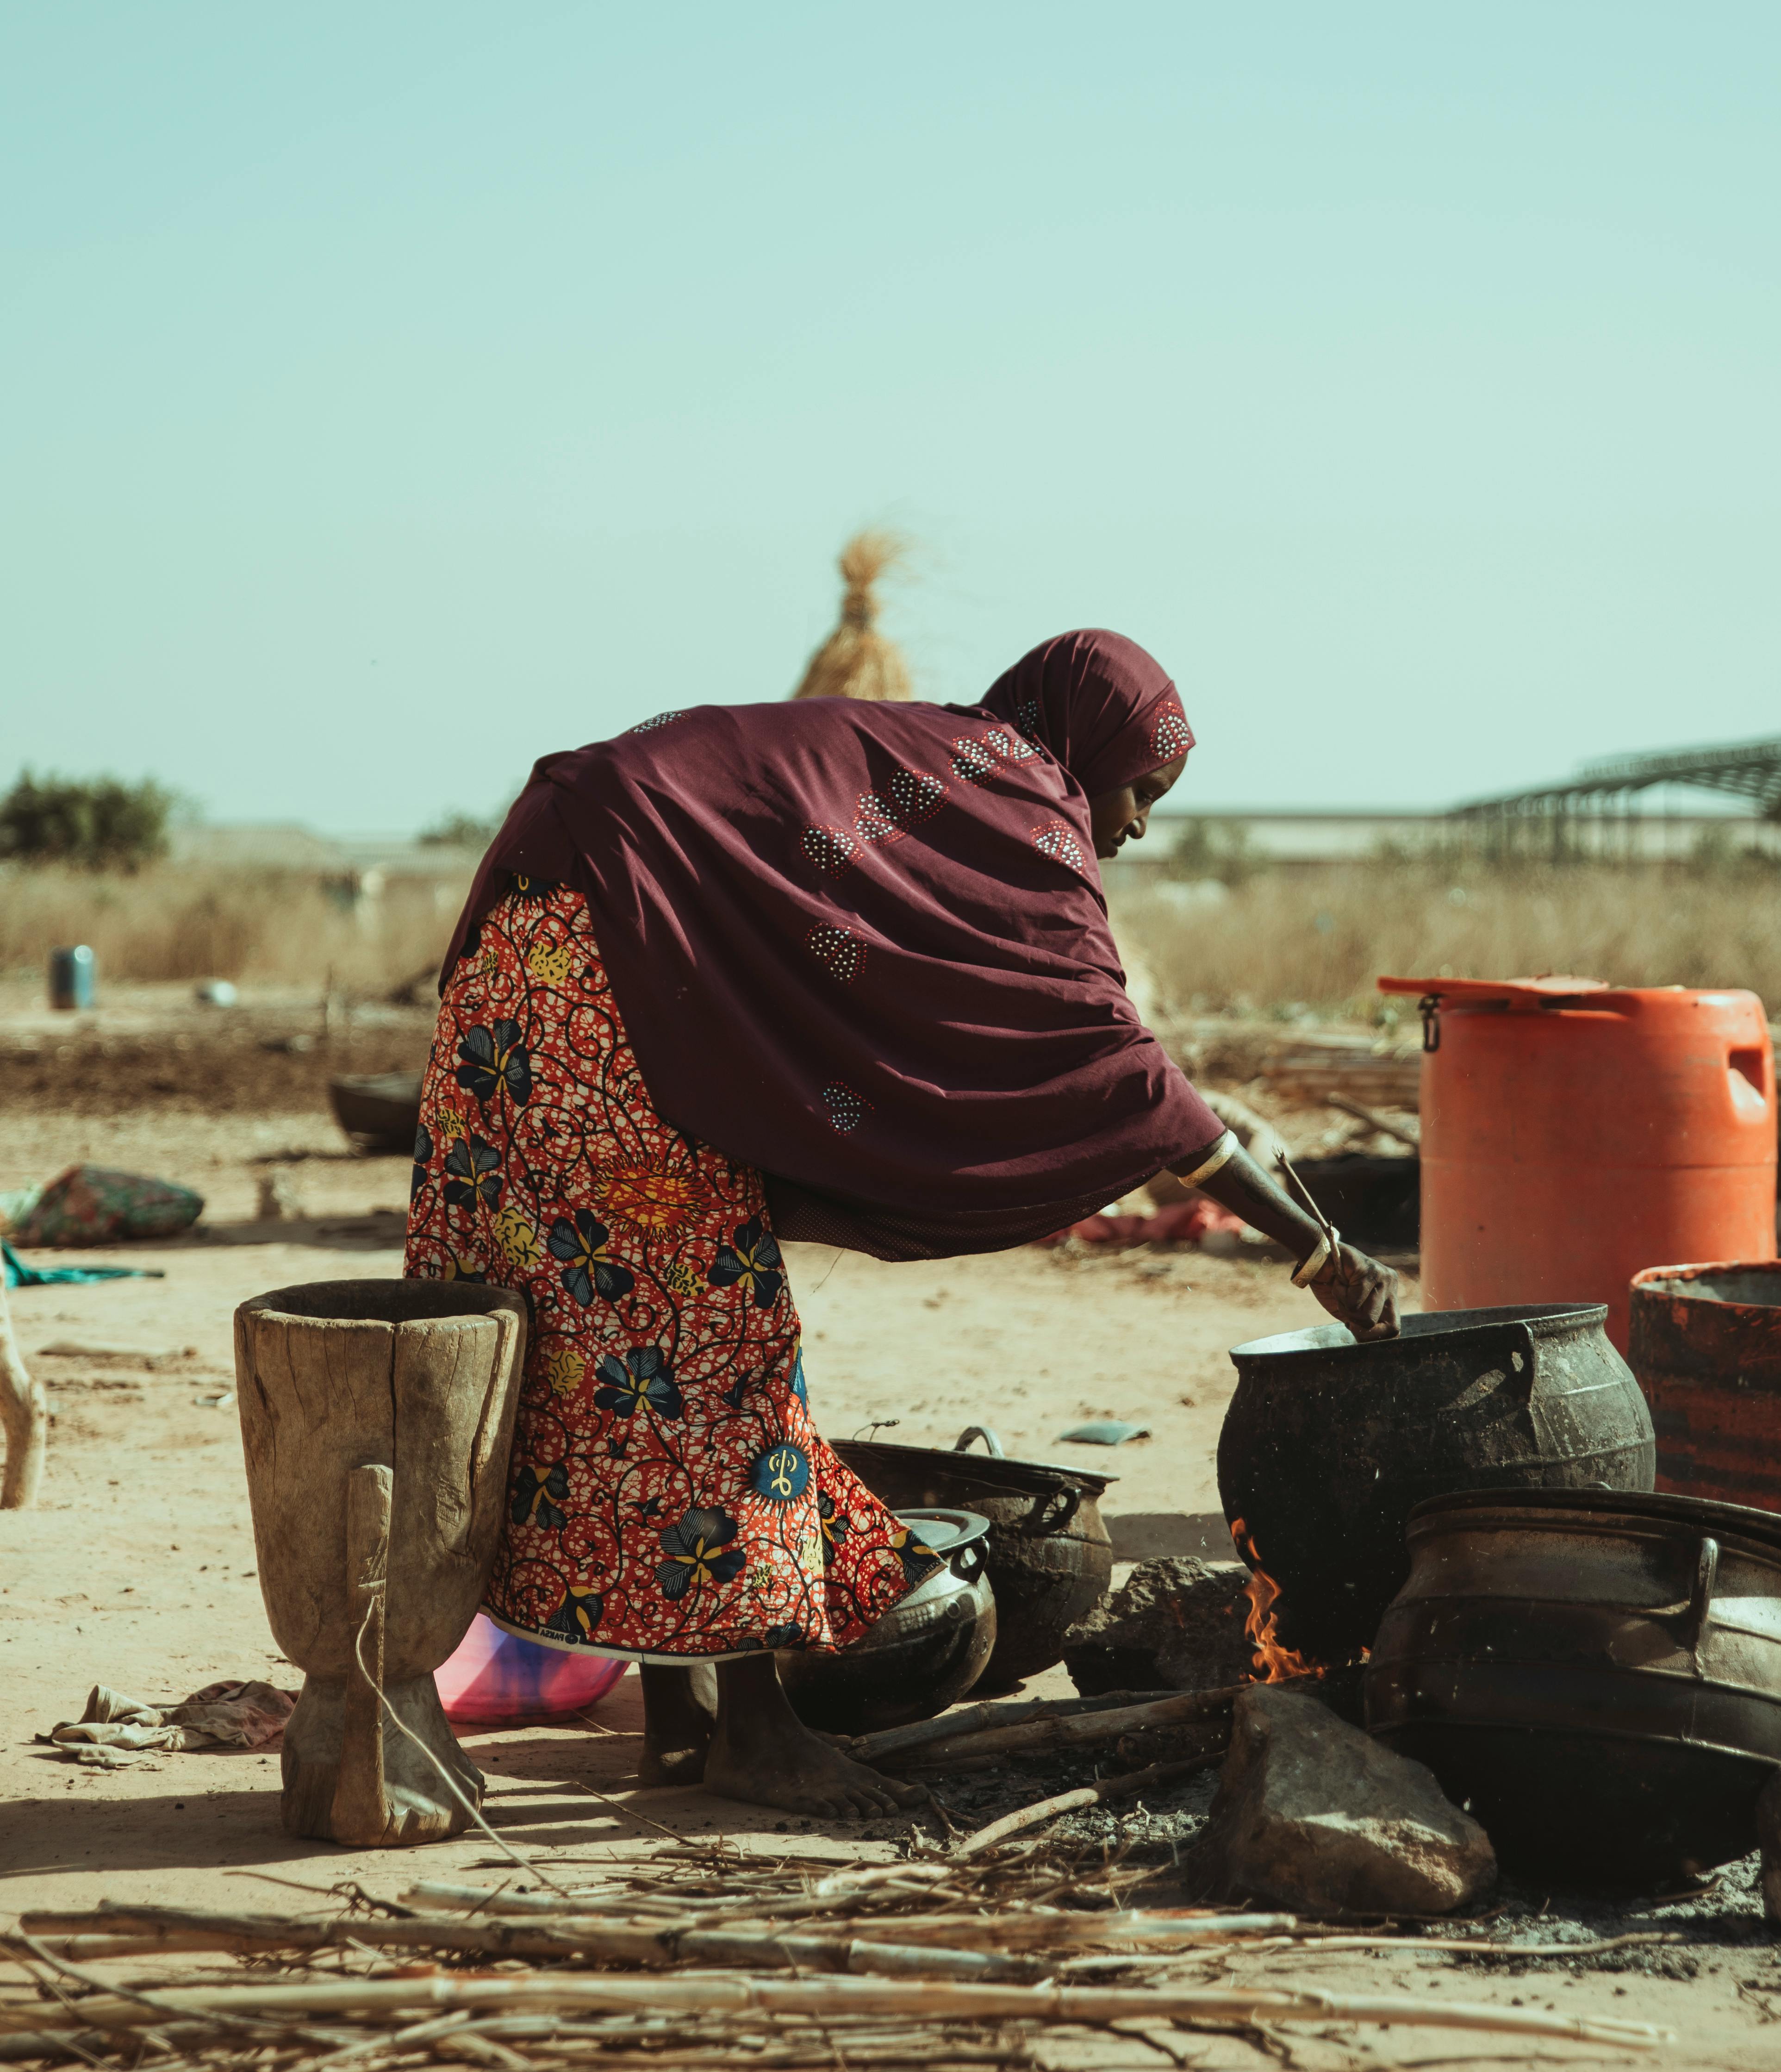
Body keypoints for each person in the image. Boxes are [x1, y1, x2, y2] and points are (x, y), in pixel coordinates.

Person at [405, 630, 1397, 1818]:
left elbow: (923, 988)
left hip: (527, 982)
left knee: (612, 1356)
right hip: (600, 988)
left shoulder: (938, 771)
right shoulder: (1022, 796)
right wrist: (1318, 1250)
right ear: (1090, 750)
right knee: (716, 1350)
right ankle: (754, 1735)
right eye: (1139, 790)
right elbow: (1108, 1060)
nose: (1133, 826)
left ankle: (685, 1721)